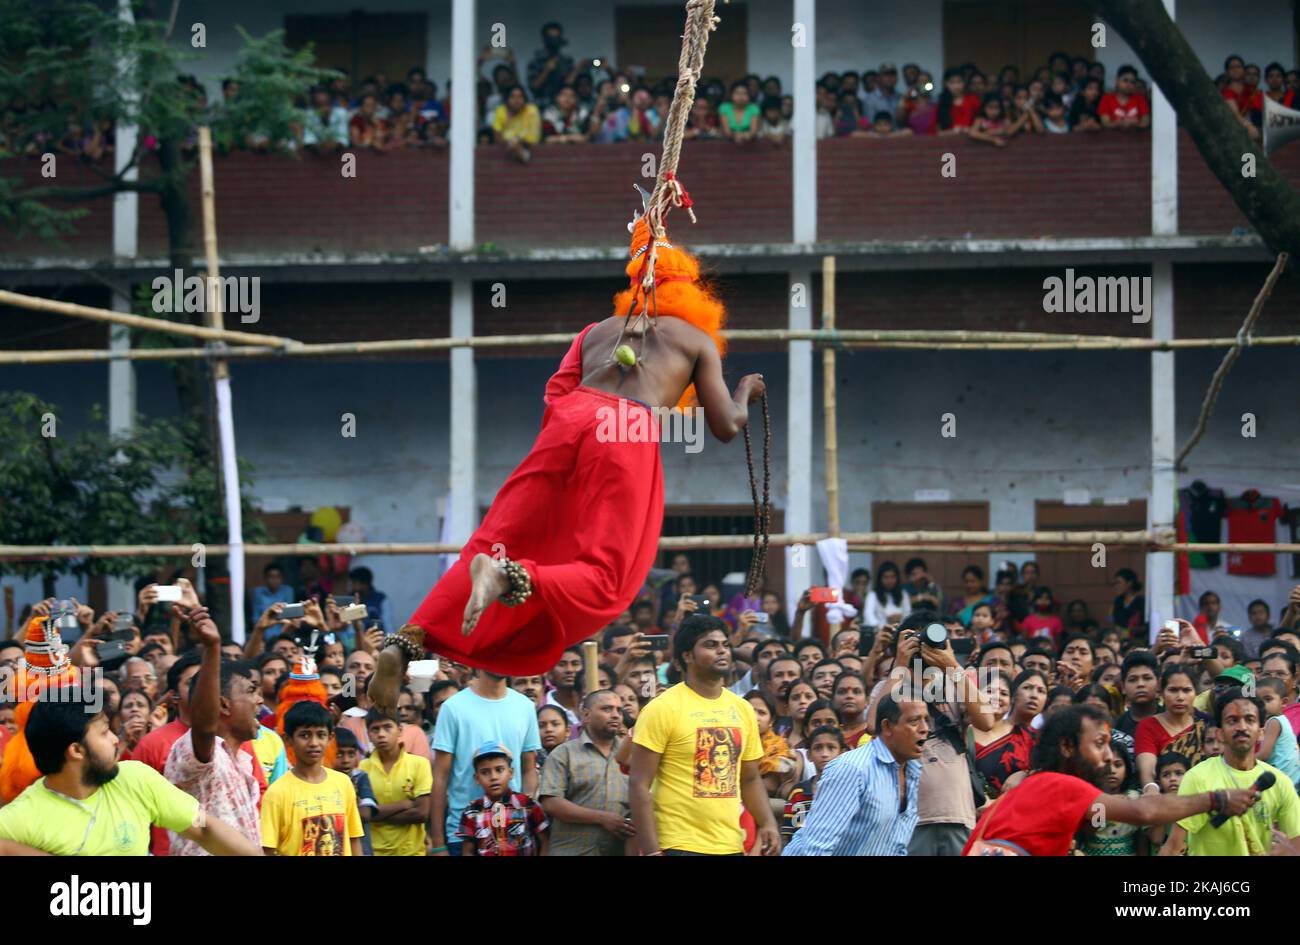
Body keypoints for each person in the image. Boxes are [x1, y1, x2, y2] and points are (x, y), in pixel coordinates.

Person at [370, 196, 764, 691]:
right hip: (626, 429)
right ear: (692, 293)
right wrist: (747, 388)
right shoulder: (693, 339)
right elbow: (725, 425)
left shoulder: (594, 333)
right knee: (609, 576)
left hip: (570, 416)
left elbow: (557, 393)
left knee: (495, 536)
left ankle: (405, 642)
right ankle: (514, 577)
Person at [962, 706, 1258, 856]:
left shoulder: (1032, 786)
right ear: (1067, 747)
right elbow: (1144, 812)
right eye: (1099, 744)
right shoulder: (1060, 784)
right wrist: (1217, 800)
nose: (1106, 756)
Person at [0, 689, 261, 855]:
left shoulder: (136, 778)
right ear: (76, 750)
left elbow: (203, 826)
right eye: (104, 732)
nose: (116, 740)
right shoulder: (19, 819)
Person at [628, 615, 780, 856]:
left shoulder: (742, 709)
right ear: (687, 656)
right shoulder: (662, 708)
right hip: (678, 844)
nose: (722, 651)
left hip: (730, 844)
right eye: (710, 645)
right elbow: (638, 784)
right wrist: (651, 850)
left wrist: (769, 822)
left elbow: (749, 778)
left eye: (725, 645)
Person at [163, 607, 264, 856]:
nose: (259, 701)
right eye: (251, 691)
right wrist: (212, 648)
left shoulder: (243, 761)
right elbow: (205, 726)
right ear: (223, 704)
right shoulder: (197, 752)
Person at [783, 688, 929, 855]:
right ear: (887, 726)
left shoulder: (913, 771)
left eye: (926, 720)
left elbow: (897, 846)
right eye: (914, 721)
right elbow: (816, 847)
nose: (925, 729)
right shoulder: (852, 769)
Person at [1159, 688, 1300, 855]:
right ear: (1220, 734)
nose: (1242, 727)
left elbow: (1296, 844)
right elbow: (1174, 847)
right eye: (1232, 721)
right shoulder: (1198, 777)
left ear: (1261, 732)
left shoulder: (1280, 781)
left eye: (1250, 720)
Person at [428, 669, 541, 857]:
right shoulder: (453, 707)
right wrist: (439, 843)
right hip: (463, 835)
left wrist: (522, 816)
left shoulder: (525, 707)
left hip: (514, 837)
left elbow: (528, 769)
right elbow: (440, 777)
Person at [261, 701, 364, 856]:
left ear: (330, 738)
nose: (314, 743)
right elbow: (268, 849)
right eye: (304, 735)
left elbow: (353, 838)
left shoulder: (343, 783)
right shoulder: (277, 793)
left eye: (320, 735)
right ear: (288, 739)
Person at [538, 689, 632, 856]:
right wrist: (602, 818)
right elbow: (551, 803)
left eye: (619, 710)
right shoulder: (563, 753)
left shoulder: (631, 755)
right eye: (607, 709)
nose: (616, 715)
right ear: (586, 715)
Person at [361, 709, 432, 856]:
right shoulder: (362, 768)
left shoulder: (419, 764)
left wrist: (376, 815)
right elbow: (362, 815)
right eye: (375, 729)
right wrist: (403, 805)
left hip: (412, 851)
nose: (381, 734)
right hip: (374, 851)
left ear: (399, 730)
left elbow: (421, 813)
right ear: (368, 735)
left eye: (387, 727)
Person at [458, 741, 550, 855]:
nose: (493, 777)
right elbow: (468, 851)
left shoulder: (528, 805)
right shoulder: (471, 812)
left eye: (499, 770)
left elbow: (545, 841)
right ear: (477, 778)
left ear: (511, 773)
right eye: (485, 772)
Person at [1135, 664, 1210, 787]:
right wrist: (1151, 790)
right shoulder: (1148, 726)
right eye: (1173, 690)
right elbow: (1148, 771)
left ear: (1195, 693)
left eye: (1186, 690)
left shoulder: (1205, 726)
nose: (1180, 697)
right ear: (1162, 693)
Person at [973, 669, 1045, 797]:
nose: (997, 697)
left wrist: (1025, 774)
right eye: (990, 691)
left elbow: (1045, 772)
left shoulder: (1028, 737)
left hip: (1010, 811)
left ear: (1011, 700)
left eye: (1004, 694)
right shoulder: (963, 732)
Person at [779, 725, 845, 847]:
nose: (824, 754)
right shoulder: (798, 793)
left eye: (831, 748)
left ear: (842, 753)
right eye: (818, 748)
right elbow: (788, 834)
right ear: (809, 755)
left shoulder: (848, 792)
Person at [333, 727, 377, 855]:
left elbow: (365, 814)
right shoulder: (323, 780)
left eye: (351, 754)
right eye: (339, 754)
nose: (346, 760)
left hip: (361, 848)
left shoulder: (360, 777)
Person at [1256, 677, 1300, 787]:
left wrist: (1242, 761)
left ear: (1284, 702)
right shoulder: (1283, 720)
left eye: (1268, 699)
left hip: (1283, 780)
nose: (1263, 705)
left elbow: (1264, 755)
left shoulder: (1274, 722)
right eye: (1258, 701)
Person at [1098, 65, 1150, 130]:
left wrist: (1135, 124)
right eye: (1125, 80)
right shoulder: (1106, 99)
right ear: (1117, 80)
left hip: (1136, 138)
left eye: (1132, 82)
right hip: (1112, 138)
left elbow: (1146, 122)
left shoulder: (1140, 99)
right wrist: (1119, 123)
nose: (1129, 84)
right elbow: (1105, 123)